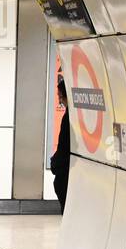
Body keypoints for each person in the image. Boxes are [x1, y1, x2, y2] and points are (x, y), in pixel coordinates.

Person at [50, 79, 70, 211]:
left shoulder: (69, 118)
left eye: (60, 96)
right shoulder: (68, 116)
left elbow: (64, 146)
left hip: (65, 170)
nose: (60, 101)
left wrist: (55, 163)